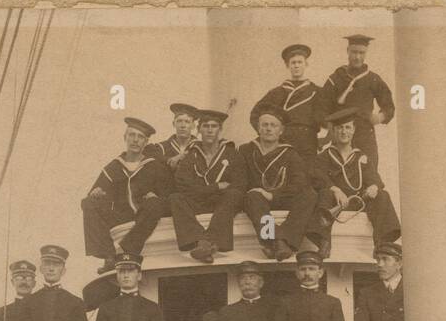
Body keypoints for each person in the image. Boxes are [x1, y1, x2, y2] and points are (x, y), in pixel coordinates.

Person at [307, 106, 401, 257]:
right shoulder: (324, 156)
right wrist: (335, 189)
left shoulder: (361, 157)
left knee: (383, 195)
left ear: (353, 130)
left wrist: (374, 186)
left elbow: (374, 178)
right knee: (325, 193)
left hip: (358, 202)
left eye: (347, 127)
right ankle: (324, 242)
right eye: (339, 128)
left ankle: (381, 243)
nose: (344, 132)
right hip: (334, 203)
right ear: (333, 131)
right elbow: (317, 177)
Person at [81, 116, 172, 272]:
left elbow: (169, 195)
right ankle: (108, 254)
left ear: (146, 142)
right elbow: (96, 192)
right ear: (125, 138)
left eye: (140, 137)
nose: (135, 140)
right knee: (88, 202)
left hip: (145, 215)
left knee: (155, 204)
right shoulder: (114, 167)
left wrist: (156, 197)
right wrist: (95, 193)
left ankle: (127, 248)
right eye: (132, 135)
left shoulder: (154, 166)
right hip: (121, 216)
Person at [238, 107, 317, 261]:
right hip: (257, 201)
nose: (268, 129)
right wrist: (259, 193)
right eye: (264, 125)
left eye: (273, 125)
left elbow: (298, 183)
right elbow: (240, 179)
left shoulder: (290, 154)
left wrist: (273, 195)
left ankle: (283, 240)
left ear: (281, 131)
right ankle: (276, 241)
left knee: (310, 195)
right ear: (258, 128)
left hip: (282, 198)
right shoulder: (245, 150)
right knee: (253, 196)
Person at [170, 108, 246, 262]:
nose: (210, 130)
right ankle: (202, 241)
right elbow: (183, 186)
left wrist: (205, 190)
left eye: (214, 126)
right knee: (175, 197)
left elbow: (239, 184)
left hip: (223, 204)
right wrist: (216, 187)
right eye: (205, 126)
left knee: (234, 194)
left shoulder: (232, 153)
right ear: (198, 130)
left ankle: (207, 242)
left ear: (220, 129)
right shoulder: (191, 155)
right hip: (200, 203)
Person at [319, 34, 395, 171]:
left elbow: (389, 106)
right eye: (354, 52)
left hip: (364, 135)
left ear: (366, 53)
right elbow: (321, 107)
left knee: (368, 173)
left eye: (361, 53)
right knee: (339, 174)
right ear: (347, 51)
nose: (357, 57)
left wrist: (380, 117)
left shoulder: (373, 79)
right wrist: (330, 127)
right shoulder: (336, 78)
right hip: (341, 136)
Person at [250, 43, 326, 157]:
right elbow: (255, 114)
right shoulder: (276, 92)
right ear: (287, 65)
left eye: (300, 62)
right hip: (284, 140)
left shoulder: (317, 92)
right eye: (293, 62)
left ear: (306, 64)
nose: (296, 66)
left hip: (308, 142)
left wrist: (325, 140)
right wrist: (268, 136)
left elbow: (328, 118)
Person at [147, 102, 200, 170]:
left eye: (187, 122)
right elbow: (147, 154)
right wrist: (169, 160)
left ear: (193, 126)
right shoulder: (162, 147)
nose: (183, 125)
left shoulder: (199, 147)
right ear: (174, 124)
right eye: (179, 121)